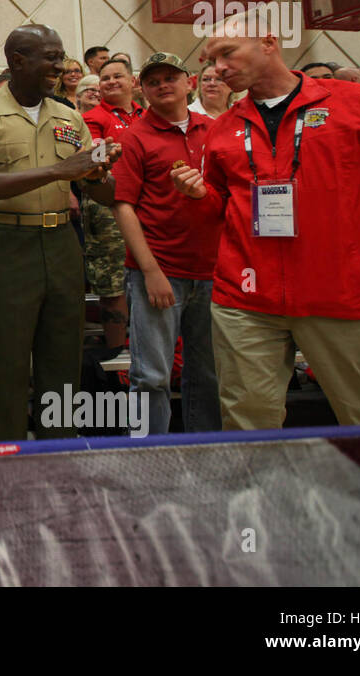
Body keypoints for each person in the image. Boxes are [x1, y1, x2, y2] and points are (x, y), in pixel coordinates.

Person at [171, 14, 360, 430]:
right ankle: (260, 496)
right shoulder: (224, 129)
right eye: (211, 60)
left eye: (227, 53)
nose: (218, 68)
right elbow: (218, 212)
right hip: (246, 300)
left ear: (268, 42)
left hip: (346, 296)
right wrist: (198, 197)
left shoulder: (359, 104)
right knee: (245, 423)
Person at [0, 24, 121, 442]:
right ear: (18, 61)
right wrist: (58, 171)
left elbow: (103, 190)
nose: (60, 66)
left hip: (63, 243)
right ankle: (3, 458)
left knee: (63, 359)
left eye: (61, 56)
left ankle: (57, 450)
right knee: (5, 361)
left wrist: (100, 171)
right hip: (8, 246)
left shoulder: (68, 115)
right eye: (50, 57)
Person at [111, 53, 221, 435]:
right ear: (143, 89)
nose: (162, 85)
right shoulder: (135, 137)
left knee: (208, 373)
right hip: (158, 273)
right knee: (151, 376)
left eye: (170, 77)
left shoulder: (215, 130)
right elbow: (123, 207)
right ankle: (148, 455)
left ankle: (205, 453)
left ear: (189, 81)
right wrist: (151, 271)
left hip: (212, 271)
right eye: (153, 80)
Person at [81, 59, 142, 348]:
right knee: (113, 281)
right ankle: (117, 354)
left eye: (118, 76)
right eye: (104, 78)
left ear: (133, 81)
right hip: (107, 203)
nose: (111, 81)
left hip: (147, 202)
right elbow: (92, 160)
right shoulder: (92, 117)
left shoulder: (147, 114)